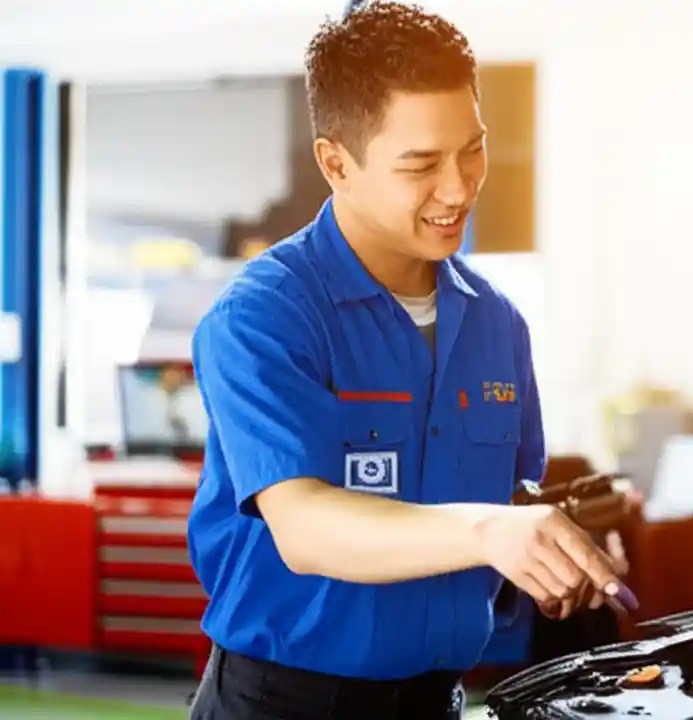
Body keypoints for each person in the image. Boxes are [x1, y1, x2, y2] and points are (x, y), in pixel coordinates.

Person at [186, 4, 634, 718]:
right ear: (336, 163)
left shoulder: (497, 324)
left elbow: (496, 505)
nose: (458, 188)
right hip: (283, 704)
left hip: (436, 703)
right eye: (421, 165)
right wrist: (492, 532)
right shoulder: (264, 317)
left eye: (473, 149)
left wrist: (551, 546)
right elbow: (304, 529)